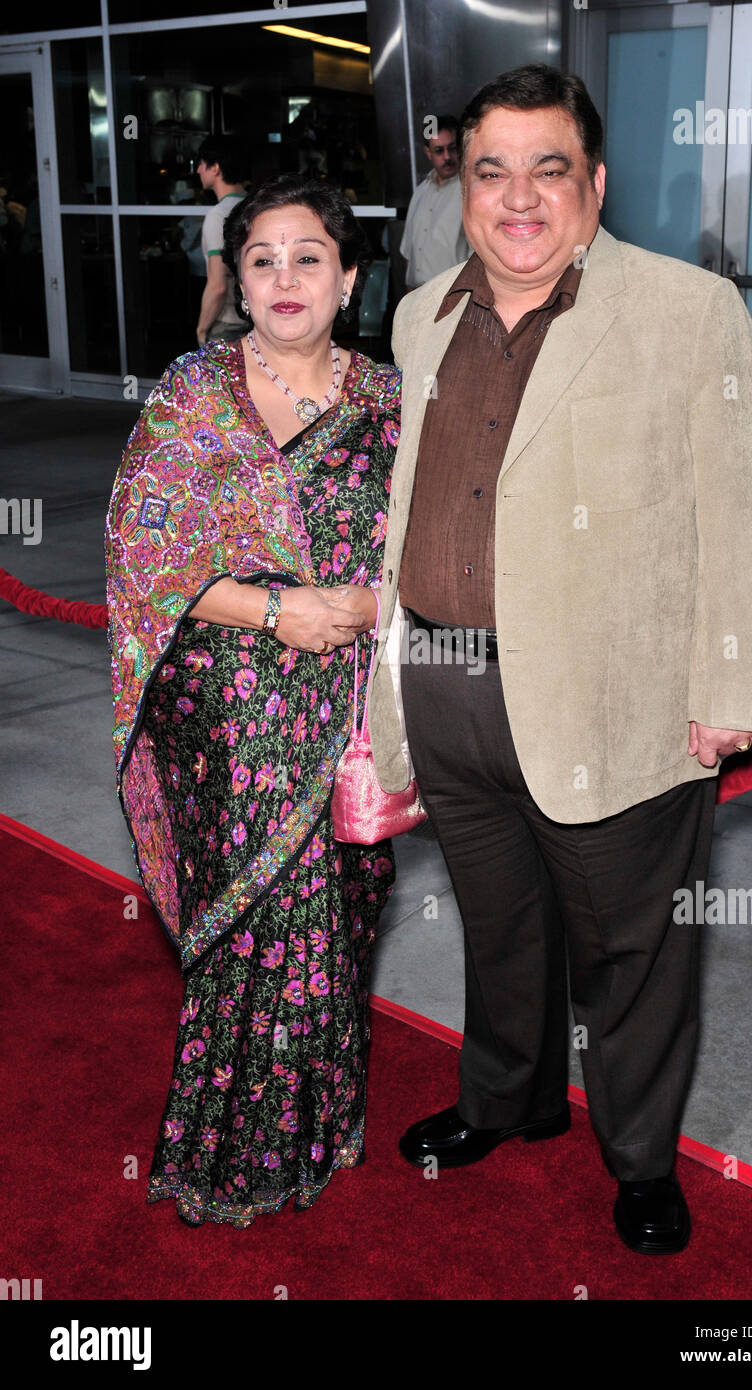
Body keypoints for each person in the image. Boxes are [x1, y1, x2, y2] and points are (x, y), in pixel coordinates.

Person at [367, 65, 752, 1254]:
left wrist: (726, 689)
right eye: (492, 169)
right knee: (497, 928)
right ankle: (508, 1100)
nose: (520, 197)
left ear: (594, 183)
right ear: (461, 184)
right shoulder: (418, 313)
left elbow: (738, 511)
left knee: (629, 953)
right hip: (446, 685)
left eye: (550, 169)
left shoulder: (688, 310)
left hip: (612, 695)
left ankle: (642, 1160)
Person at [106, 175, 400, 1227]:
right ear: (238, 276)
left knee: (339, 913)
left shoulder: (391, 403)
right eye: (261, 258)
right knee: (258, 923)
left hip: (352, 711)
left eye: (308, 255)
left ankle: (319, 1120)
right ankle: (232, 1154)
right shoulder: (194, 391)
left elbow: (429, 552)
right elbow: (142, 558)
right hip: (222, 710)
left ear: (350, 275)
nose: (284, 278)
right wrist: (278, 616)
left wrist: (362, 603)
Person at [400, 115, 469, 291]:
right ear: (428, 152)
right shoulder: (421, 192)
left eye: (452, 148)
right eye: (439, 150)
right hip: (416, 300)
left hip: (453, 299)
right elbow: (409, 253)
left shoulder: (471, 191)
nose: (447, 156)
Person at [194, 137, 249, 345]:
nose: (198, 170)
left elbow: (218, 285)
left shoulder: (219, 216)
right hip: (256, 321)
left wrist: (201, 329)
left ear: (215, 168)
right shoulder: (258, 208)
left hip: (227, 324)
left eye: (202, 164)